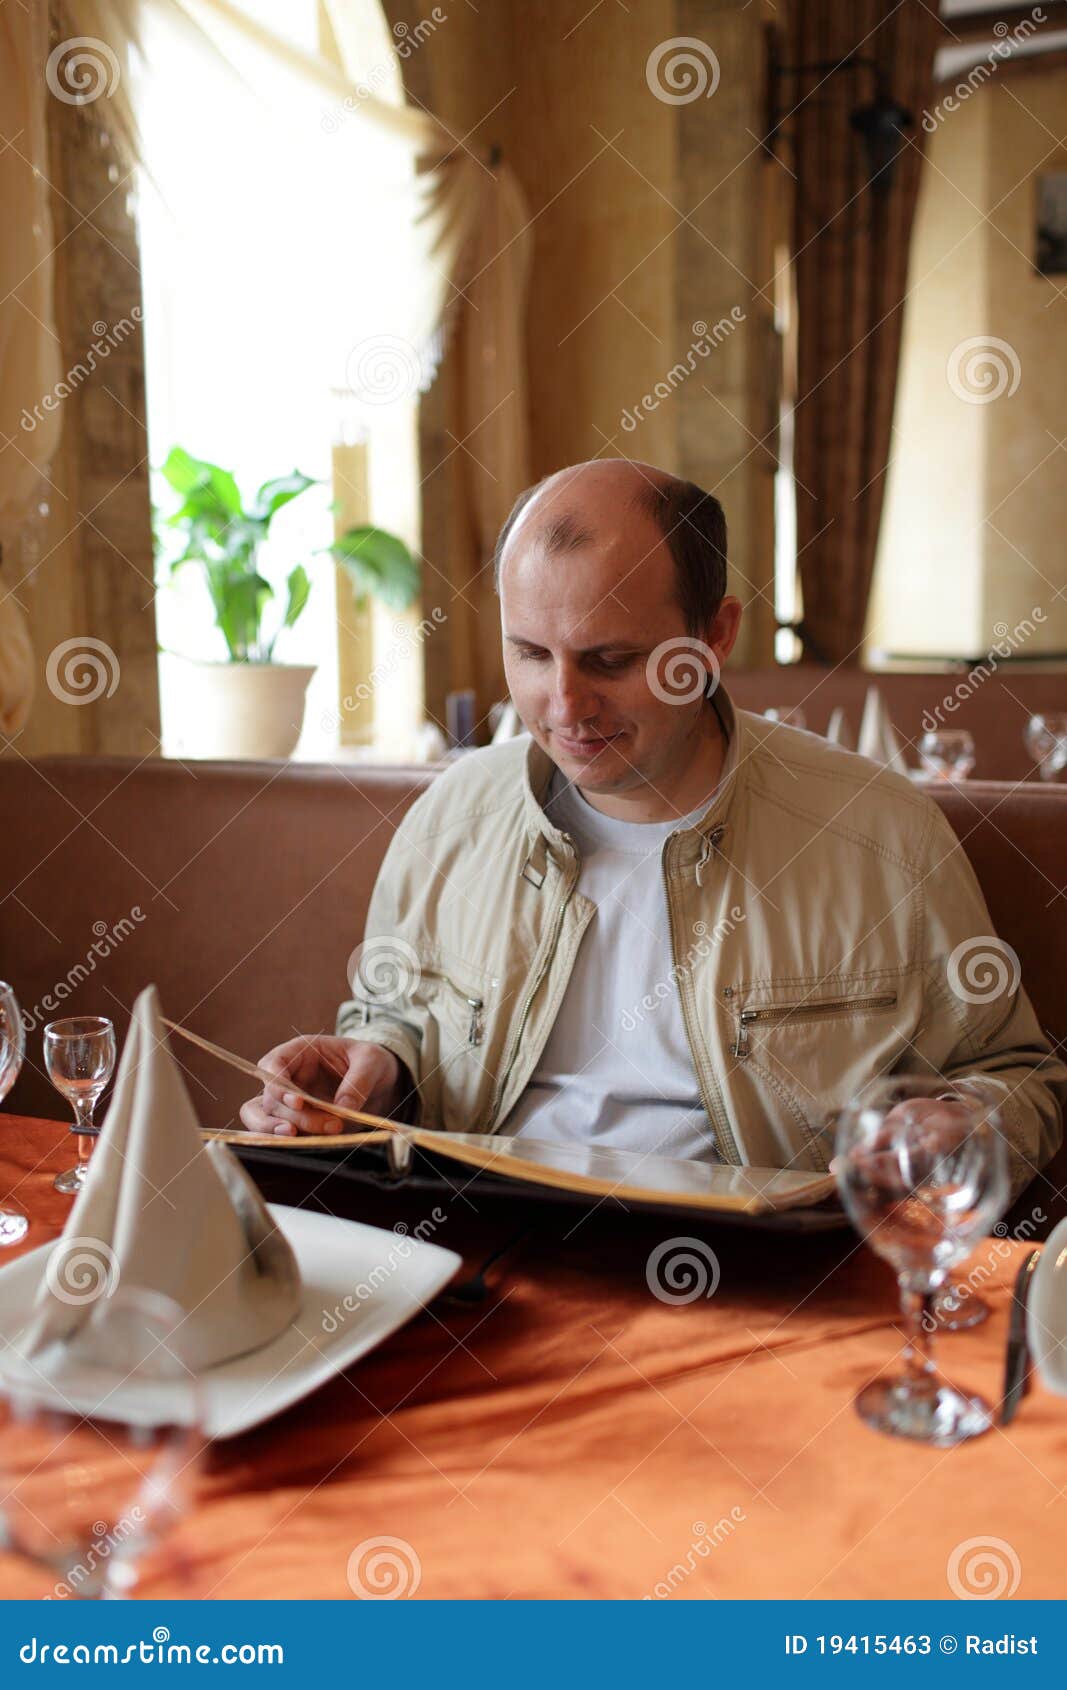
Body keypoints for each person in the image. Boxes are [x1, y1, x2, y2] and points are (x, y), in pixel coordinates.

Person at [239, 459, 1064, 1199]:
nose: (562, 708)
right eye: (529, 653)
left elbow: (1018, 1077)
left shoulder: (880, 834)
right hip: (477, 1247)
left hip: (756, 1278)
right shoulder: (452, 816)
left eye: (609, 661)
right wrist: (378, 1070)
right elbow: (396, 1019)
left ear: (712, 636)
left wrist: (969, 1124)